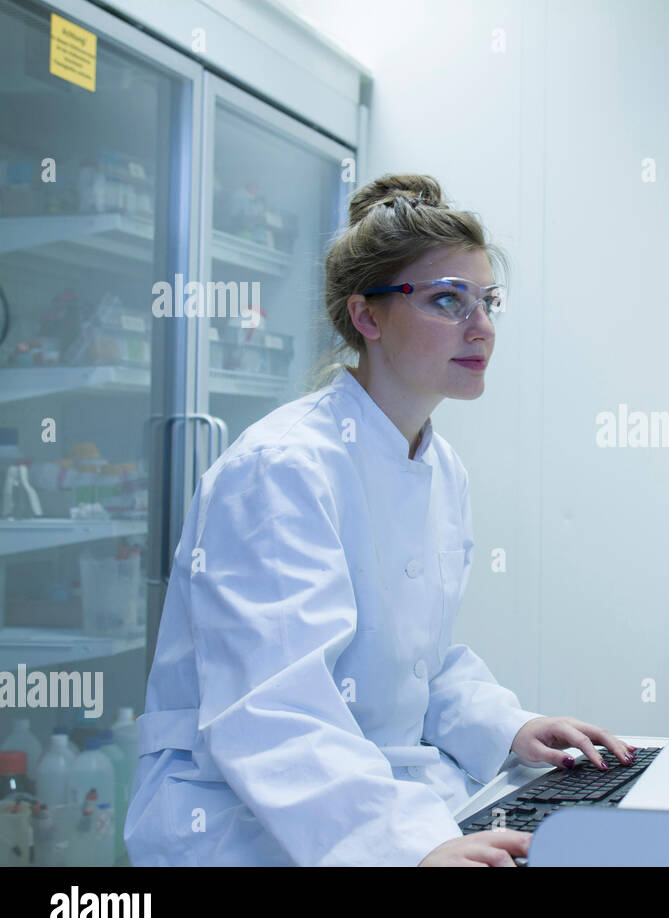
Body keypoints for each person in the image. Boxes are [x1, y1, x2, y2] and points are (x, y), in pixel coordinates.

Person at [124, 173, 632, 866]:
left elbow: (418, 665)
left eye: (487, 302)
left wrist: (510, 725)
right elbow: (273, 709)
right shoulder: (283, 468)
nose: (480, 328)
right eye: (449, 301)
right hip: (243, 824)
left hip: (383, 796)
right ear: (367, 317)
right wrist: (406, 847)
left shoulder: (437, 464)